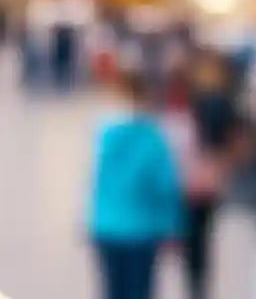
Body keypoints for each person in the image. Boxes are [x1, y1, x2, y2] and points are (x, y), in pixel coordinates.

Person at [89, 68, 184, 299]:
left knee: (112, 290)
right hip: (142, 230)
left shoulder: (106, 133)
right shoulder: (152, 137)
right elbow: (166, 186)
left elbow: (98, 179)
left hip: (107, 226)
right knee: (139, 291)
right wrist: (174, 226)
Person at [183, 53, 239, 299]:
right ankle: (198, 281)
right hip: (210, 174)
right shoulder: (222, 101)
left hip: (197, 174)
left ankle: (196, 279)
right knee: (202, 234)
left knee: (195, 234)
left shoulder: (201, 100)